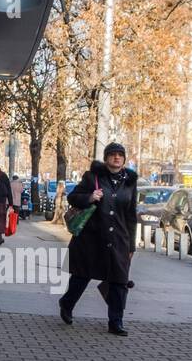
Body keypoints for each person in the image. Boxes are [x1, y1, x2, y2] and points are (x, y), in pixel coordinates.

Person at [58, 142, 138, 336]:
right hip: (91, 238)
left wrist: (131, 245)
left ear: (124, 159)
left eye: (120, 155)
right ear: (106, 158)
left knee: (119, 281)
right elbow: (72, 197)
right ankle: (66, 304)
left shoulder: (130, 182)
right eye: (112, 155)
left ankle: (115, 322)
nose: (116, 158)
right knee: (82, 276)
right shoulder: (92, 177)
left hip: (118, 239)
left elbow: (131, 215)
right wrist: (90, 197)